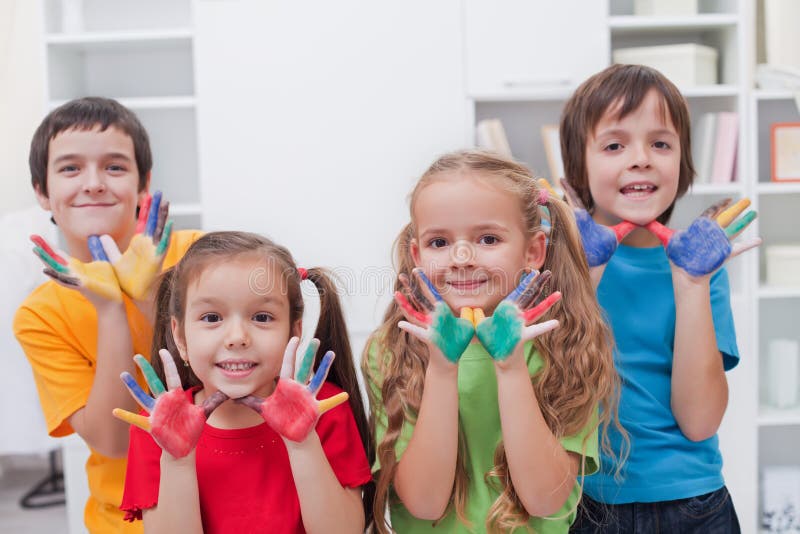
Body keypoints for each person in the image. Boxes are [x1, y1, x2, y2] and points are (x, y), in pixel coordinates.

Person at [362, 149, 622, 533]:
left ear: (533, 251)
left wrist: (510, 365)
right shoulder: (394, 349)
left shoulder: (567, 344)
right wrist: (442, 368)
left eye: (487, 238)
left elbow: (545, 500)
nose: (462, 257)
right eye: (439, 243)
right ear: (416, 254)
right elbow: (424, 503)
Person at [560, 64, 758, 533]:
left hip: (694, 503)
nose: (641, 158)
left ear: (682, 164)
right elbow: (552, 390)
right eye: (614, 145)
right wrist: (582, 273)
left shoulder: (700, 268)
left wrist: (690, 283)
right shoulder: (557, 268)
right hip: (585, 504)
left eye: (661, 143)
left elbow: (700, 422)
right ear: (577, 169)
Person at [13, 97, 202, 533]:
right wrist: (111, 310)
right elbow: (115, 443)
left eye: (115, 167)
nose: (94, 183)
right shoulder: (40, 315)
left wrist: (149, 295)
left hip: (229, 501)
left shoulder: (199, 255)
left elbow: (226, 380)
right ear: (42, 191)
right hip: (131, 518)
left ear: (143, 184)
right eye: (70, 169)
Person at [118, 231, 373, 533]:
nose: (237, 337)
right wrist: (177, 462)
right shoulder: (158, 427)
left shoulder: (323, 410)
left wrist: (304, 445)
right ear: (180, 336)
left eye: (262, 317)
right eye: (212, 318)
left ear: (294, 332)